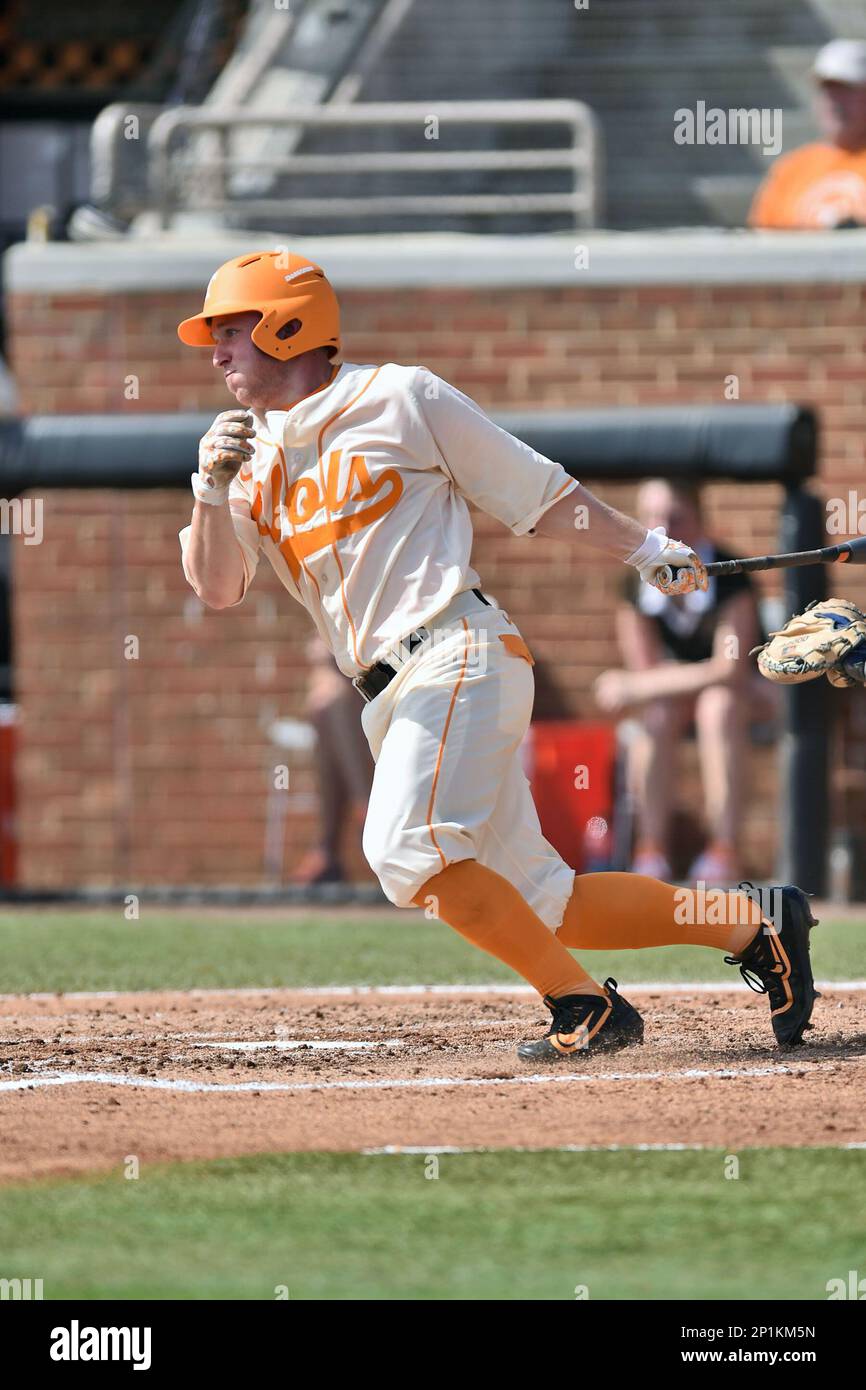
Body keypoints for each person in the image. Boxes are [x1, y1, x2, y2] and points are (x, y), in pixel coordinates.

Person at [176, 250, 818, 1056]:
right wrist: (208, 492)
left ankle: (584, 1005)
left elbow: (538, 493)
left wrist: (646, 548)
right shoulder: (247, 461)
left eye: (231, 331)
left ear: (287, 325)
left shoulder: (401, 397)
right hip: (390, 692)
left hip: (456, 653)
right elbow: (217, 587)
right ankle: (755, 921)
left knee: (401, 849)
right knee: (548, 901)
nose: (217, 353)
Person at [594, 479, 777, 885]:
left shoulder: (731, 574)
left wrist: (633, 686)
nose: (663, 528)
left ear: (699, 521)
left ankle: (724, 850)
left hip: (744, 694)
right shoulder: (633, 583)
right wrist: (645, 685)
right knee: (657, 714)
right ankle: (651, 850)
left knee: (718, 706)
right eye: (652, 516)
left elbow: (730, 669)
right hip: (675, 700)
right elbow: (647, 674)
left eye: (675, 517)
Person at [749, 39, 866, 230]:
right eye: (827, 90)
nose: (835, 101)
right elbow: (761, 237)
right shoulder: (791, 170)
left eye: (846, 90)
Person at [294, 634, 374, 885]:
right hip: (365, 682)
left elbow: (413, 640)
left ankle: (331, 843)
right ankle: (362, 812)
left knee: (337, 703)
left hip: (407, 676)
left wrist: (334, 667)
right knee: (326, 709)